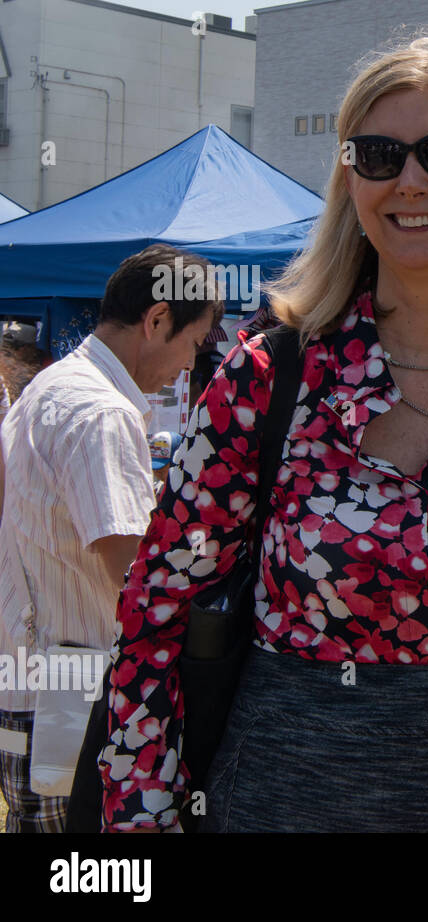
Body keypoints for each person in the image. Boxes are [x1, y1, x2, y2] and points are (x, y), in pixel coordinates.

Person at [98, 29, 428, 832]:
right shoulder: (268, 377)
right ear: (350, 182)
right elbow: (156, 613)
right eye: (376, 156)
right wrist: (143, 823)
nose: (410, 180)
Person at [0, 245, 219, 833]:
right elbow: (136, 575)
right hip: (70, 694)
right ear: (157, 319)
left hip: (32, 682)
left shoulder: (49, 387)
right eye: (193, 346)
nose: (187, 370)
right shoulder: (102, 413)